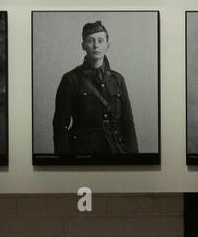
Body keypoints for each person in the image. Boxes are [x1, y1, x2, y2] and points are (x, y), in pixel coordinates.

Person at [51, 20, 138, 155]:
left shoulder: (118, 80)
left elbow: (128, 124)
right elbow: (60, 127)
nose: (96, 45)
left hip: (115, 152)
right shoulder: (70, 80)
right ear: (83, 46)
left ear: (107, 46)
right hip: (83, 154)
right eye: (90, 41)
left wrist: (134, 160)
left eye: (100, 40)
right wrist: (64, 163)